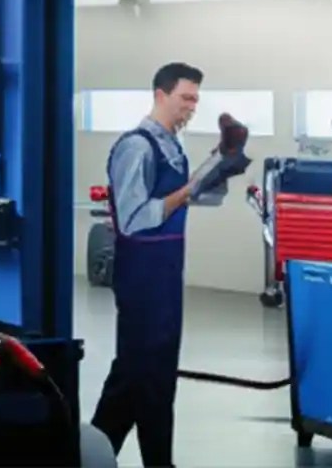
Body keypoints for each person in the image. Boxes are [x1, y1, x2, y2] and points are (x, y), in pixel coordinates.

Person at [90, 61, 209, 467]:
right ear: (161, 95)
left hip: (166, 275)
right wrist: (186, 191)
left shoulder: (173, 145)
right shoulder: (137, 146)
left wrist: (214, 174)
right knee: (150, 376)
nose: (192, 107)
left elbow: (181, 199)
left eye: (196, 99)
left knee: (135, 376)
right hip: (141, 278)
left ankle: (88, 456)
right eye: (185, 98)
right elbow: (134, 217)